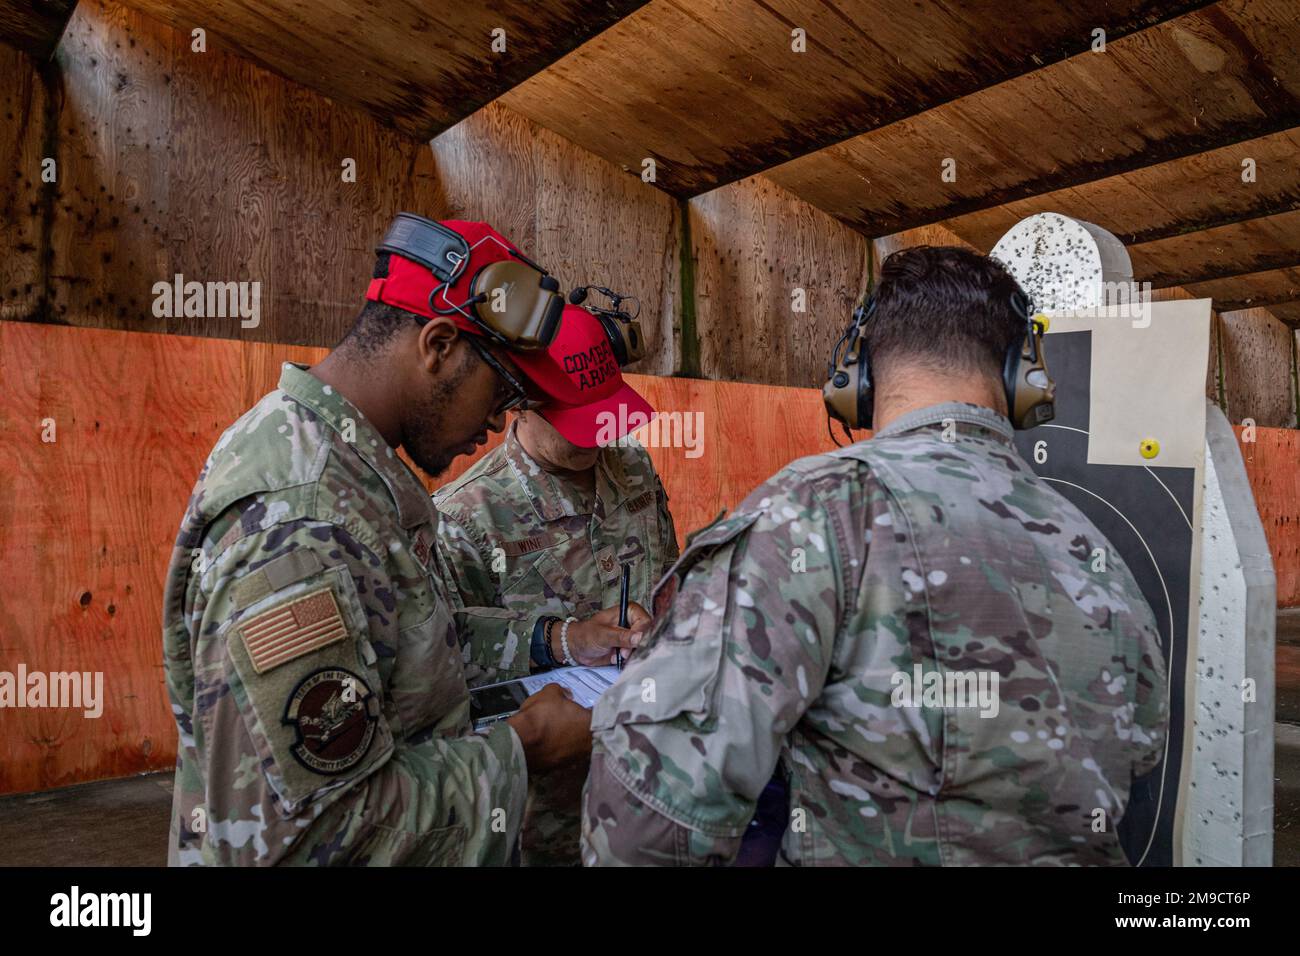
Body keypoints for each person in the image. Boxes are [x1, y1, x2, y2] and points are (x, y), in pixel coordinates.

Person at [580, 245, 1169, 866]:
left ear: (857, 378)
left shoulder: (817, 512)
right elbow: (1141, 751)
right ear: (1022, 375)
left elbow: (654, 807)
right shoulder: (1095, 550)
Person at [161, 214, 591, 865]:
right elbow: (317, 834)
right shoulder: (300, 514)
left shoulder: (338, 467)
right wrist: (521, 751)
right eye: (499, 389)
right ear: (438, 346)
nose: (500, 419)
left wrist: (556, 639)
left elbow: (392, 648)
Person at [435, 303, 677, 864]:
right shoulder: (465, 518)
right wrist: (560, 639)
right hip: (545, 823)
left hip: (652, 779)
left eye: (605, 415)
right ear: (518, 404)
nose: (598, 436)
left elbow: (668, 573)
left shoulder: (632, 466)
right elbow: (447, 667)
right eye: (579, 421)